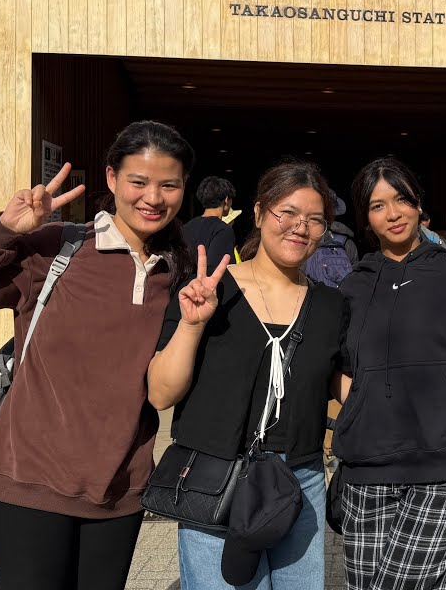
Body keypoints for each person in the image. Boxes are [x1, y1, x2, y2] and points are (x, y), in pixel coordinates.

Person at [0, 120, 194, 590]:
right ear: (112, 179)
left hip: (118, 493)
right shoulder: (59, 249)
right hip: (29, 483)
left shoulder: (175, 272)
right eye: (138, 181)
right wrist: (4, 231)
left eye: (168, 185)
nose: (153, 197)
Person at [149, 161, 348, 590]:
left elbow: (344, 389)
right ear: (258, 213)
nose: (300, 227)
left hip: (302, 477)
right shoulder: (209, 290)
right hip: (215, 476)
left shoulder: (331, 307)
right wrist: (191, 323)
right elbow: (160, 393)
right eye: (287, 213)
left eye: (315, 220)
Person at [333, 157, 446, 590]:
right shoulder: (353, 285)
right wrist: (361, 407)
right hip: (366, 468)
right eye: (378, 206)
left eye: (401, 199)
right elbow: (341, 369)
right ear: (365, 217)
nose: (393, 213)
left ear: (418, 204)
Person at [184, 176, 238, 274]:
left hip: (183, 287)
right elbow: (220, 271)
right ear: (226, 200)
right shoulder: (223, 230)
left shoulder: (186, 227)